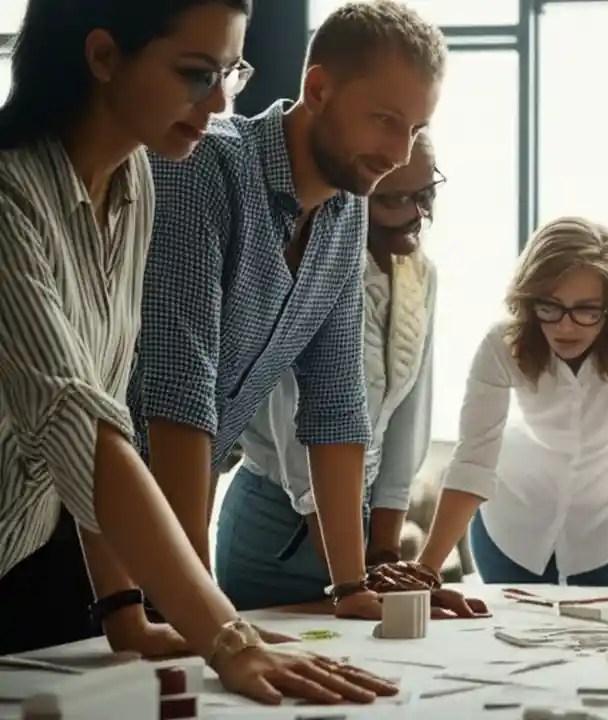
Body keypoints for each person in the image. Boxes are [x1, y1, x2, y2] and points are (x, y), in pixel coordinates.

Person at [0, 0, 395, 705]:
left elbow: (102, 404)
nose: (217, 103)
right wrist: (225, 633)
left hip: (23, 550)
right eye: (194, 73)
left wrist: (123, 610)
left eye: (230, 73)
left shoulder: (136, 184)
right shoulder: (11, 197)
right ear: (102, 57)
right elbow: (78, 423)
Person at [127, 0, 445, 622]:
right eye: (384, 119)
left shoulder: (347, 209)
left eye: (413, 128)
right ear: (318, 88)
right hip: (83, 506)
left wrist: (352, 588)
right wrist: (202, 611)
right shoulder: (207, 168)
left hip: (166, 511)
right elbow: (178, 394)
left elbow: (336, 403)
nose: (395, 151)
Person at [225, 133, 483, 616]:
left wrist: (384, 561)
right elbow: (301, 440)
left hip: (360, 534)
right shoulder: (309, 270)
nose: (417, 213)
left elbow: (407, 424)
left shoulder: (421, 276)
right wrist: (357, 581)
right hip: (282, 530)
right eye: (392, 199)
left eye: (427, 192)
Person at [417, 217, 608, 589]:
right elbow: (472, 462)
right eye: (550, 307)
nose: (565, 327)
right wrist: (425, 571)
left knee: (606, 643)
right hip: (512, 526)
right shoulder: (502, 342)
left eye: (587, 310)